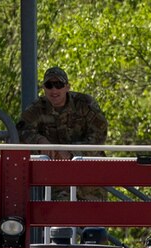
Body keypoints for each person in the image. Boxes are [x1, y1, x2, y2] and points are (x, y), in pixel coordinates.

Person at [16, 66, 108, 201]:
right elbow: (21, 131)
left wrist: (71, 153)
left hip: (88, 173)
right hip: (57, 178)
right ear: (44, 88)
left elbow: (99, 134)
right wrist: (40, 142)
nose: (54, 90)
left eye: (59, 85)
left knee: (94, 212)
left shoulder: (84, 104)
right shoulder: (37, 109)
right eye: (49, 85)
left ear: (67, 87)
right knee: (59, 212)